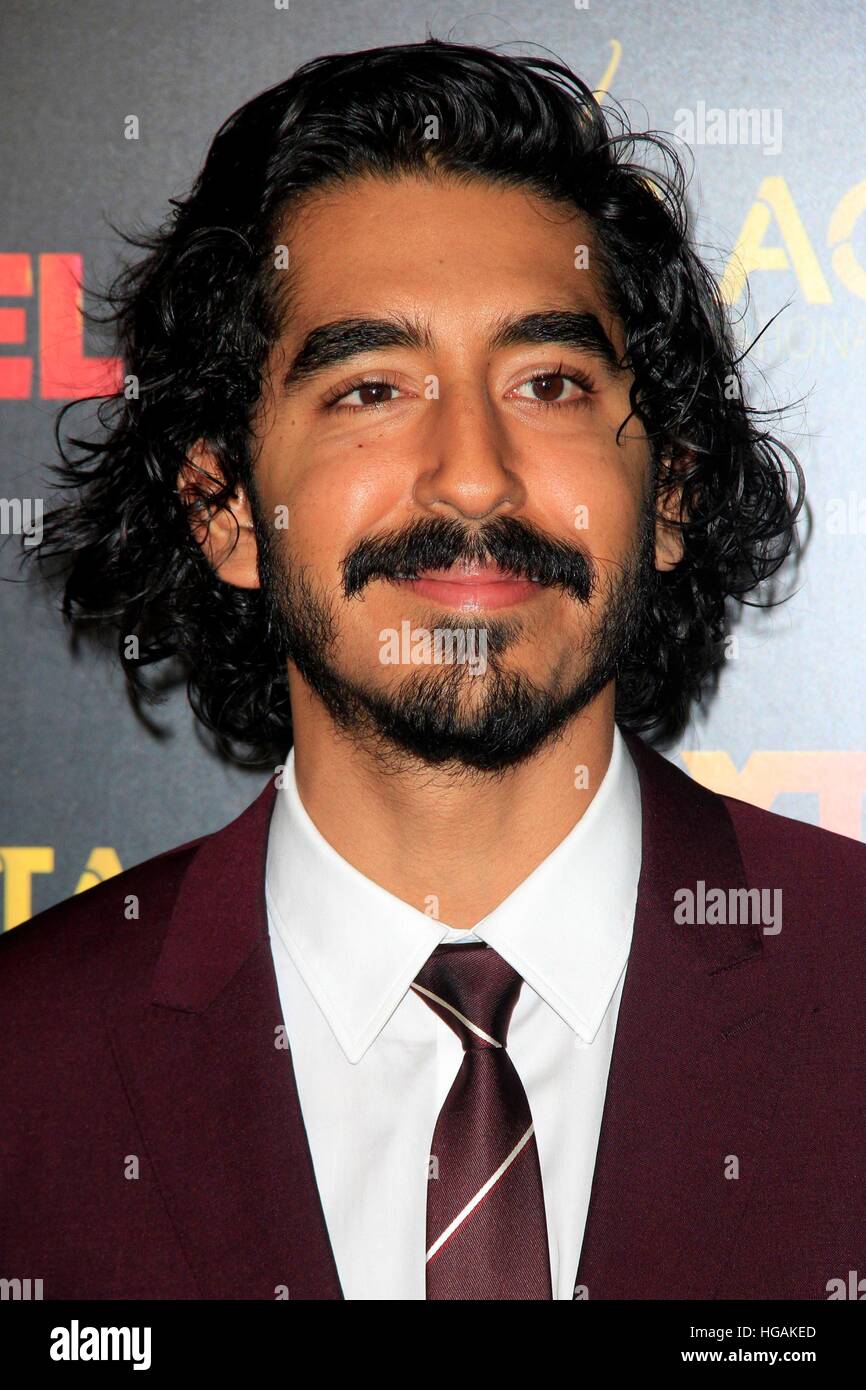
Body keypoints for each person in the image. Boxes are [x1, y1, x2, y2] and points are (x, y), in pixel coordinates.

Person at [3, 37, 864, 1302]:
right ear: (225, 507)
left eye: (550, 381)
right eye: (368, 389)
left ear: (667, 492)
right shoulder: (26, 1073)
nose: (472, 471)